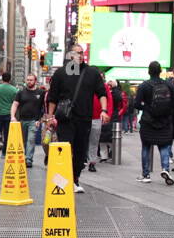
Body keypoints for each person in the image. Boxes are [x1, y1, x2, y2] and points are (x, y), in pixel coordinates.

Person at [46, 45, 109, 193]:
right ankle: (63, 180)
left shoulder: (92, 73)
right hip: (65, 119)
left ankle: (75, 179)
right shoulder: (61, 73)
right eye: (76, 53)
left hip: (84, 119)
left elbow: (102, 93)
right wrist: (49, 117)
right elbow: (52, 98)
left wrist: (104, 110)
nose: (80, 56)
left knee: (81, 152)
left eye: (82, 53)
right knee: (66, 149)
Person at [132, 62, 174, 185]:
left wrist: (146, 107)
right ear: (160, 71)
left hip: (148, 121)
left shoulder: (144, 86)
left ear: (149, 71)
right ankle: (165, 169)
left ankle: (146, 174)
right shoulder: (168, 85)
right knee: (164, 146)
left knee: (146, 146)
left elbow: (136, 104)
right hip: (165, 121)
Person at [11, 73, 45, 168]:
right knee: (23, 140)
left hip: (34, 121)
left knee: (31, 140)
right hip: (21, 120)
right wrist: (12, 116)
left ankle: (28, 159)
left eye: (31, 80)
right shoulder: (20, 92)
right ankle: (23, 157)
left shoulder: (41, 93)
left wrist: (40, 120)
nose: (29, 81)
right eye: (28, 80)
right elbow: (15, 105)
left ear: (35, 81)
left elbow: (44, 107)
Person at [0, 73, 17, 157]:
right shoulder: (14, 90)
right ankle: (4, 153)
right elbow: (15, 102)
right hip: (9, 114)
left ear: (2, 79)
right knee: (7, 134)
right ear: (10, 79)